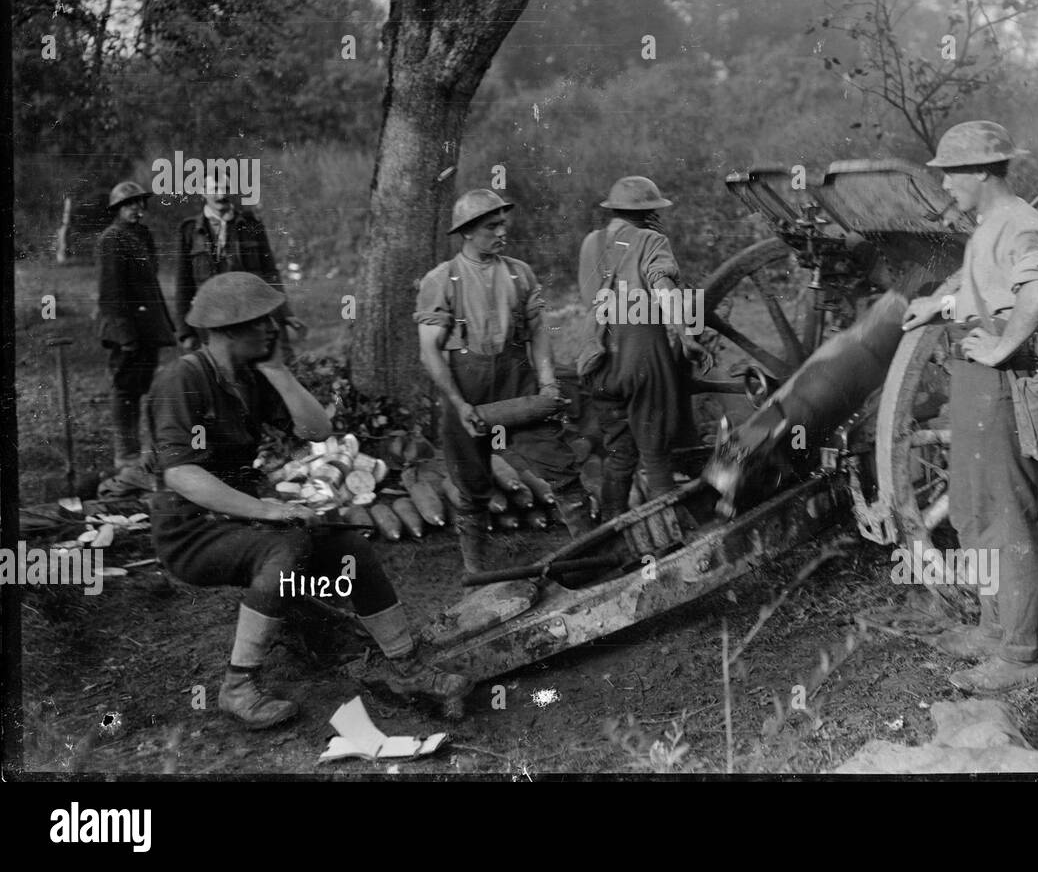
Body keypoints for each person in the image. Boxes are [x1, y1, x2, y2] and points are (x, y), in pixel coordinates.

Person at [143, 272, 471, 728]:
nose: (273, 329)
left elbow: (317, 431)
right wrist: (270, 510)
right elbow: (180, 473)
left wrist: (277, 371)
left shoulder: (250, 378)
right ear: (227, 331)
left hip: (235, 519)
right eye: (261, 323)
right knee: (287, 546)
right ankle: (237, 686)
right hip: (189, 530)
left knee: (348, 547)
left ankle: (407, 668)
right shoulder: (183, 380)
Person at [901, 121, 1038, 694]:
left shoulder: (1017, 221)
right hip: (975, 381)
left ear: (978, 173)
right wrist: (939, 305)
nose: (945, 186)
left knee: (1005, 515)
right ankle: (995, 631)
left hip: (1001, 383)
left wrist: (999, 346)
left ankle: (1020, 656)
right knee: (972, 509)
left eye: (949, 174)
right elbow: (987, 291)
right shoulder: (990, 224)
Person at [416, 190, 594, 576]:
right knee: (471, 484)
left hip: (518, 384)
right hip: (466, 390)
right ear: (466, 232)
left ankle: (591, 557)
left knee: (561, 469)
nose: (501, 233)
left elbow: (538, 332)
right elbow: (430, 352)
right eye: (491, 227)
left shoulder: (519, 272)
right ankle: (476, 572)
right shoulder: (441, 280)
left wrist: (547, 384)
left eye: (502, 225)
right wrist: (459, 404)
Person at [578, 176, 713, 529]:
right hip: (643, 357)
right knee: (656, 456)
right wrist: (686, 338)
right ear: (649, 212)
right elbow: (664, 291)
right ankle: (669, 536)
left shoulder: (591, 243)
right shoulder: (651, 240)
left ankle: (612, 531)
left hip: (600, 359)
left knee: (619, 454)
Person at [175, 175, 305, 356]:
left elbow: (270, 272)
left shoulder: (252, 224)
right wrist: (185, 332)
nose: (221, 195)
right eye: (214, 190)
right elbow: (183, 284)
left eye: (226, 188)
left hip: (250, 313)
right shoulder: (189, 231)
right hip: (213, 318)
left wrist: (285, 312)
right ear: (203, 192)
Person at [96, 181, 175, 473]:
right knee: (124, 390)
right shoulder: (111, 238)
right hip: (127, 331)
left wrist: (162, 325)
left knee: (143, 387)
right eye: (129, 205)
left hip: (148, 329)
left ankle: (142, 452)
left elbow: (151, 286)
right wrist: (124, 335)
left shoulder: (142, 235)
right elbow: (110, 292)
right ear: (117, 209)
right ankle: (125, 454)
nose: (136, 210)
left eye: (140, 204)